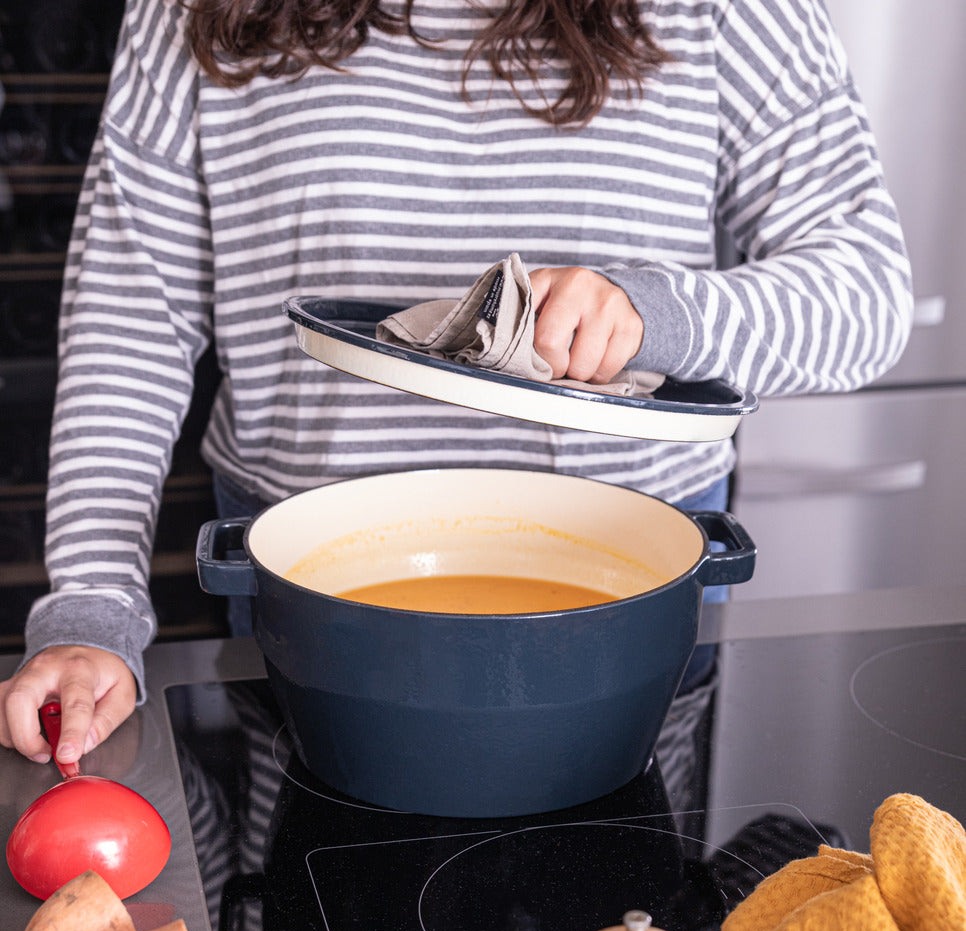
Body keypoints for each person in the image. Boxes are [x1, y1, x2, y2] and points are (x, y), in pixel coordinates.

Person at [0, 0, 912, 767]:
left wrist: (655, 314)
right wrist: (90, 606)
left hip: (626, 597)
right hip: (304, 600)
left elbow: (868, 292)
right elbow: (130, 317)